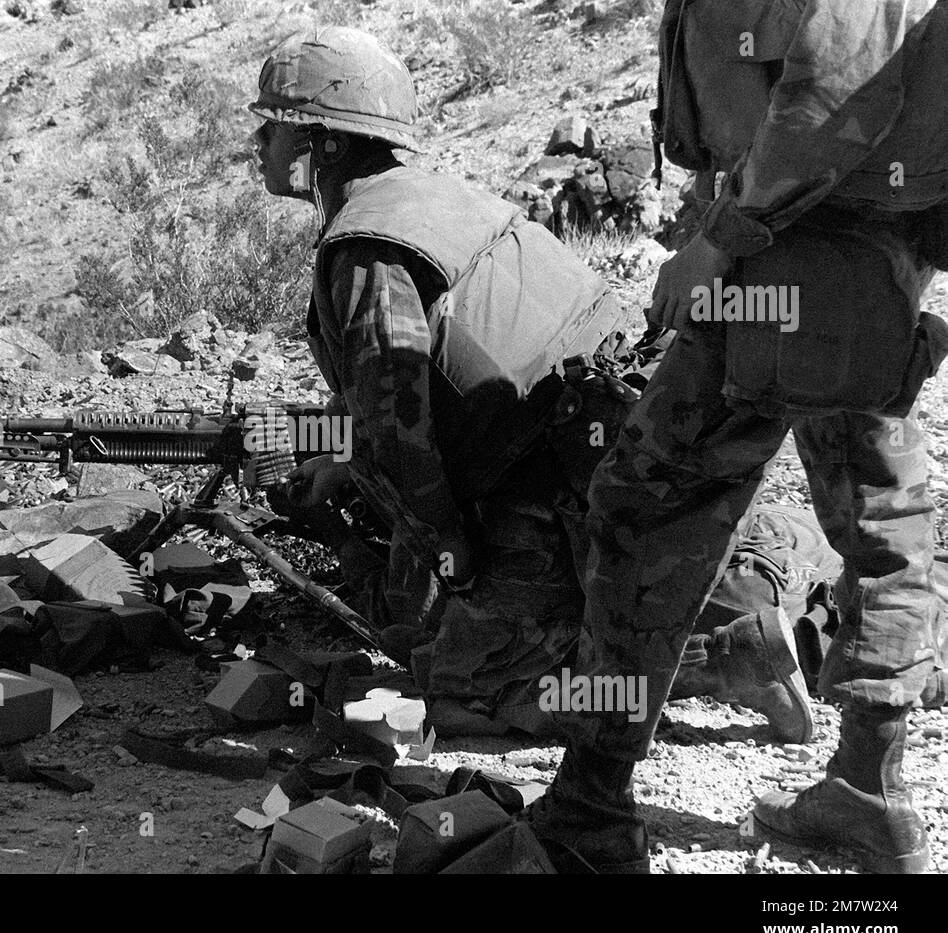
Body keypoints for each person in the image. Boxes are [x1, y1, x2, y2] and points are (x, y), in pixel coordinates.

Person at [248, 25, 816, 744]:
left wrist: (448, 557)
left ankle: (726, 660)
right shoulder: (435, 197)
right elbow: (409, 378)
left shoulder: (363, 251)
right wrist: (334, 453)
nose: (260, 146)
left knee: (464, 684)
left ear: (324, 145)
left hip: (554, 483)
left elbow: (401, 434)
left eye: (275, 127)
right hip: (622, 440)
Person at [520, 0, 948, 874]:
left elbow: (836, 94)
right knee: (882, 508)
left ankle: (591, 802)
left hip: (788, 254)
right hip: (862, 254)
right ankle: (868, 791)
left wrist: (718, 243)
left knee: (647, 503)